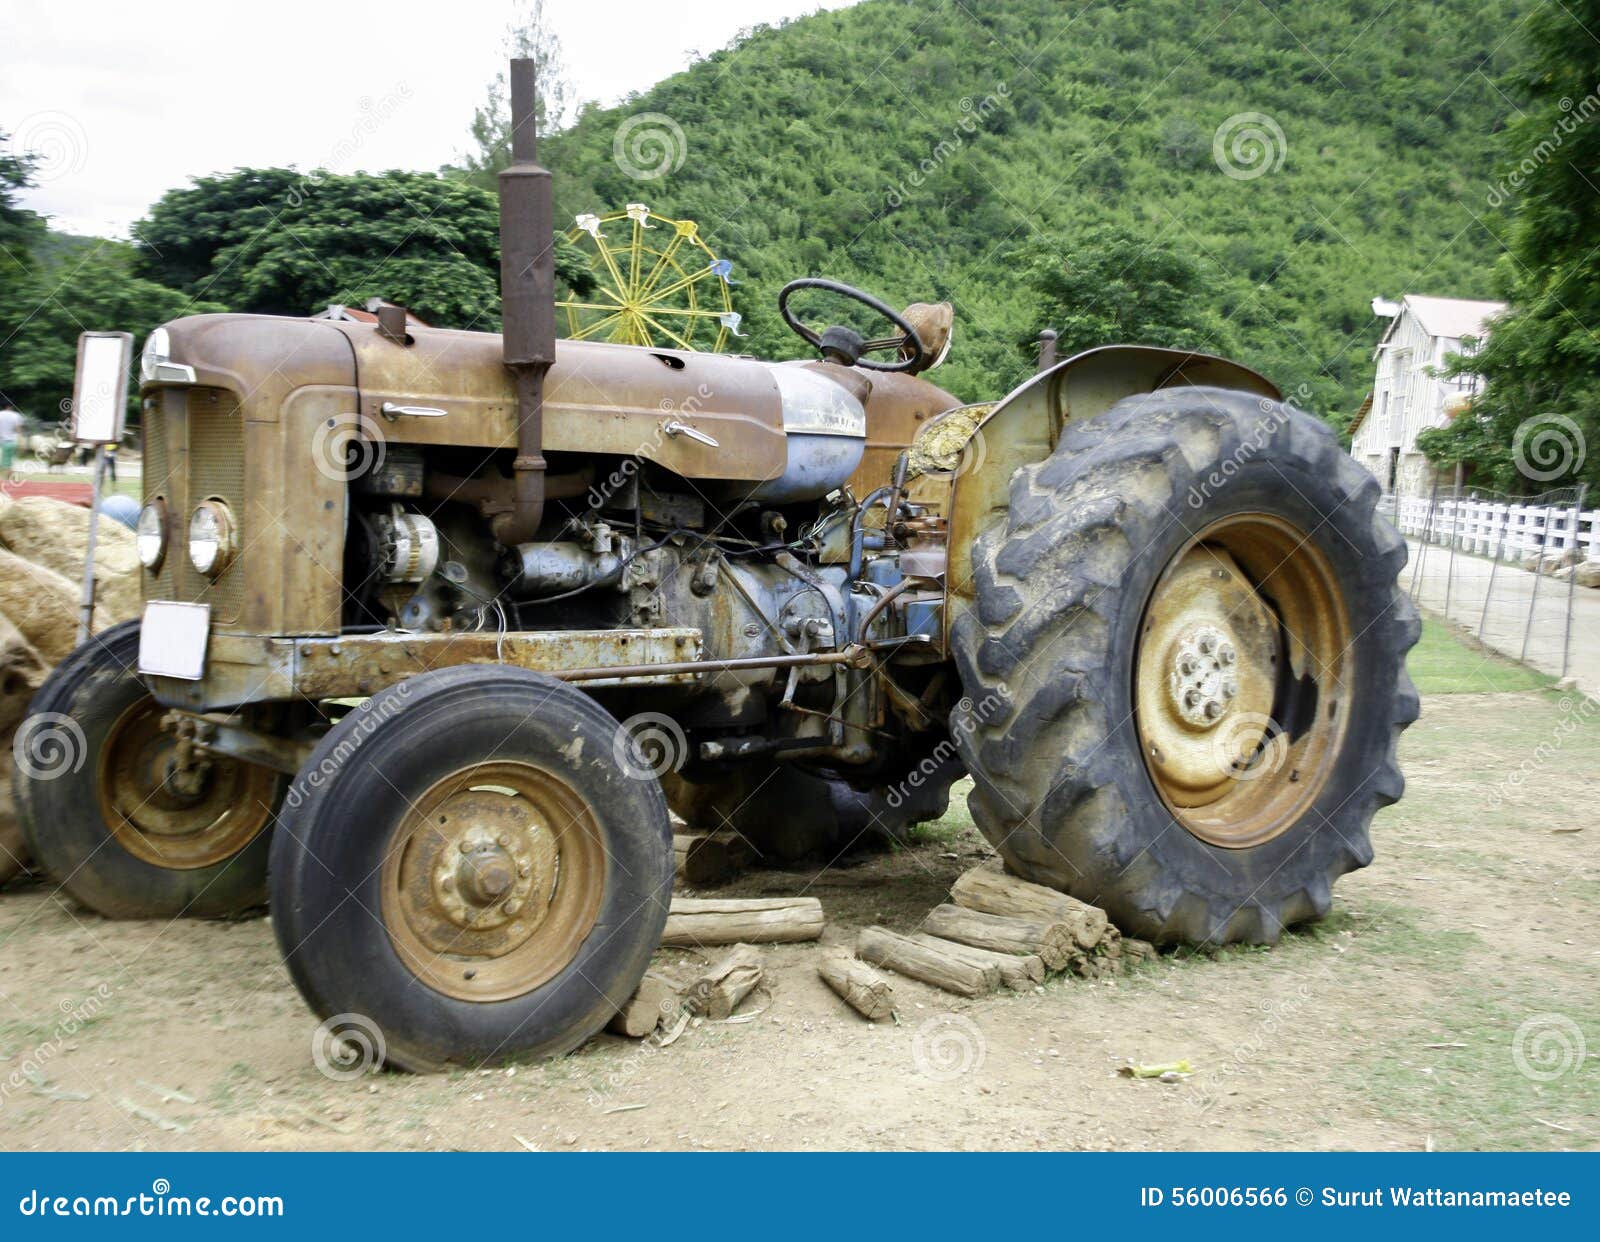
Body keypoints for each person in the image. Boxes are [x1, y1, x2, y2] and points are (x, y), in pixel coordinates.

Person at [0, 406, 22, 472]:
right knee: (9, 464)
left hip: (1, 441)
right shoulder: (16, 415)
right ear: (10, 406)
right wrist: (20, 442)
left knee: (4, 463)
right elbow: (18, 430)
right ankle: (8, 476)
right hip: (11, 442)